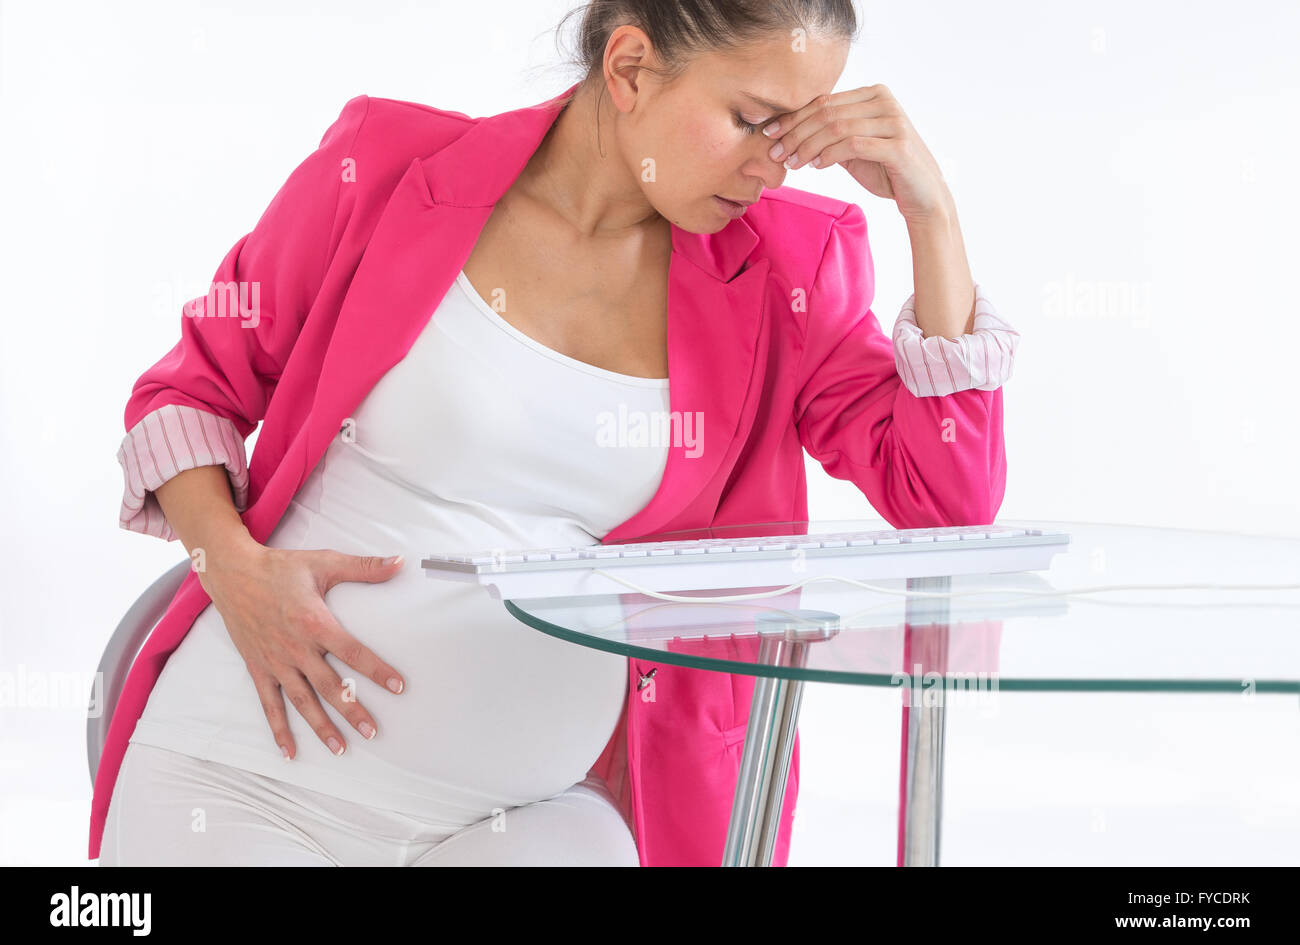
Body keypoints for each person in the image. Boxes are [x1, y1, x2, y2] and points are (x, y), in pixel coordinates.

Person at [95, 0, 1019, 866]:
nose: (772, 168)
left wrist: (930, 213)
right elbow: (190, 393)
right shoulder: (383, 169)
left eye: (797, 134)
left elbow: (947, 498)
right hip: (243, 777)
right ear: (629, 66)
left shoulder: (787, 269)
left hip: (531, 822)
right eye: (751, 120)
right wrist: (234, 569)